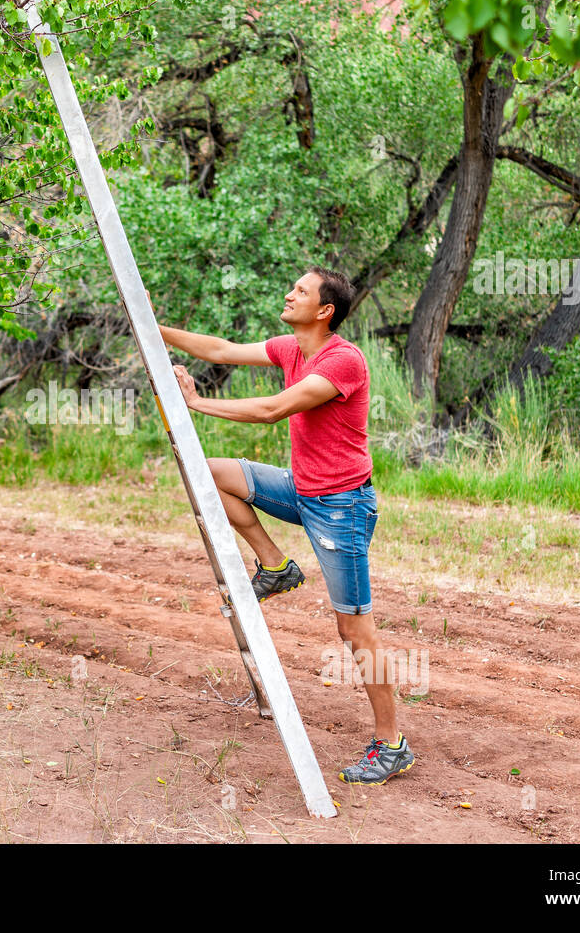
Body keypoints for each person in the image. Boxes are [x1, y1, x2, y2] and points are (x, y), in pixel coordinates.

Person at [158, 268, 415, 785]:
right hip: (303, 487)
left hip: (341, 508)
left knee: (354, 631)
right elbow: (222, 350)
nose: (289, 294)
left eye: (301, 291)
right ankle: (275, 564)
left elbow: (274, 409)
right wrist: (151, 324)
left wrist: (197, 404)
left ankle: (392, 745)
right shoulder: (290, 348)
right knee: (206, 471)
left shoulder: (343, 361)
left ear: (325, 311)